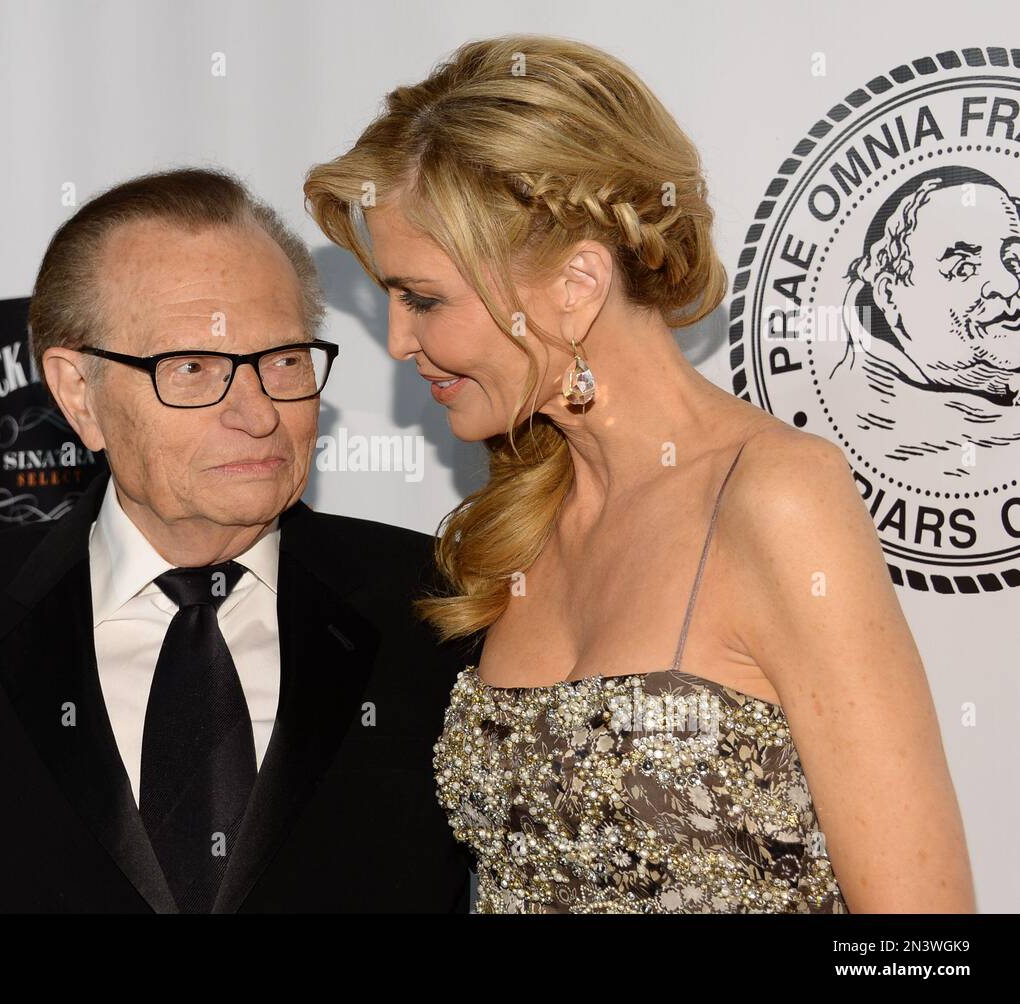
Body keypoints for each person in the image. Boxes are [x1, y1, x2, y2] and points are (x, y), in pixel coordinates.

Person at [303, 34, 976, 913]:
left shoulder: (775, 495)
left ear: (577, 285)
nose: (397, 343)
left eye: (424, 298)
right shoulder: (521, 518)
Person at [0, 167, 473, 913]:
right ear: (79, 395)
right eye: (193, 368)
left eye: (284, 361)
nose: (258, 412)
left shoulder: (441, 606)